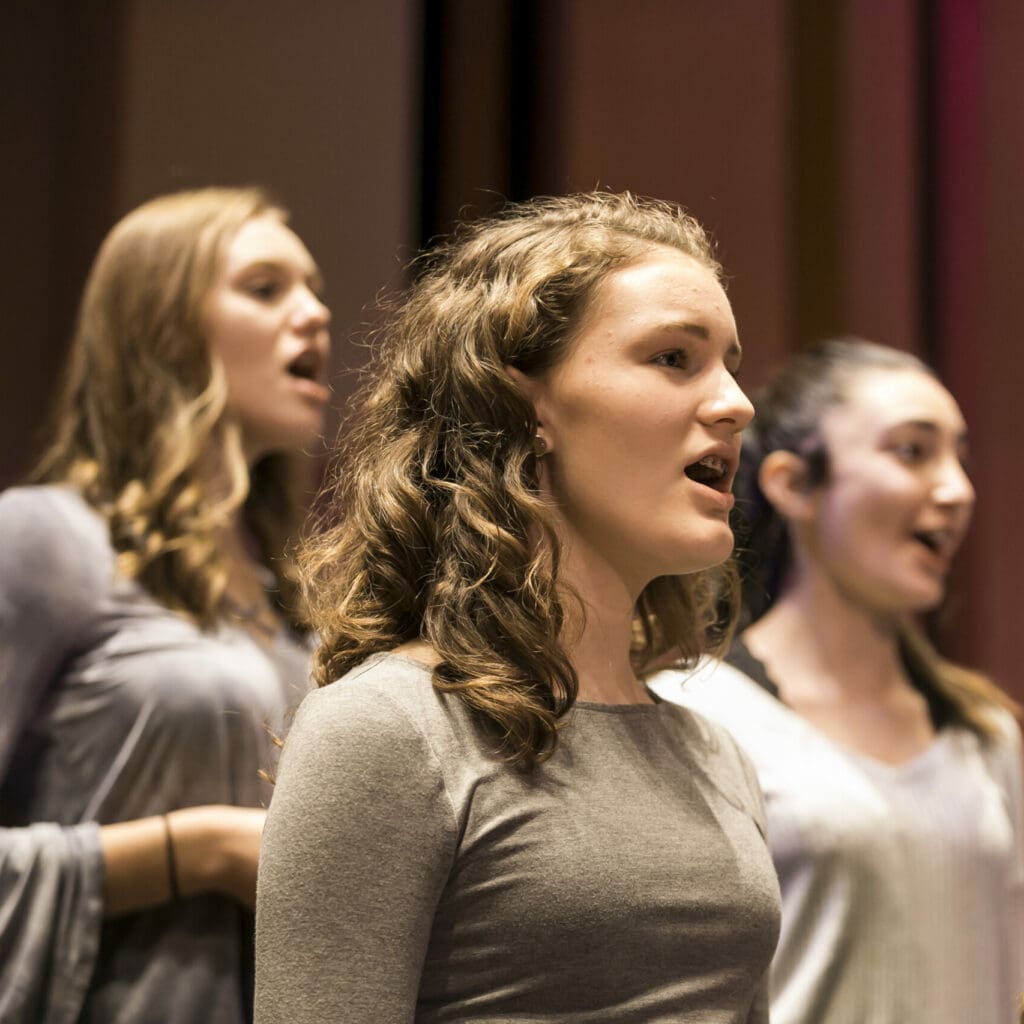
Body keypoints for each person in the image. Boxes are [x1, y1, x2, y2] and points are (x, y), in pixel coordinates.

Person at [255, 191, 781, 1023]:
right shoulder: (389, 729)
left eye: (730, 364)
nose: (737, 403)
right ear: (526, 405)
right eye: (674, 358)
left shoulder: (714, 753)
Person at [0, 186, 332, 1023]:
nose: (314, 313)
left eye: (312, 288)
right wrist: (204, 851)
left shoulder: (295, 597)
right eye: (266, 288)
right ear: (165, 330)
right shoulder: (44, 540)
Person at [648, 338, 1024, 1023]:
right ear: (794, 484)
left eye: (960, 460)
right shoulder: (694, 713)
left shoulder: (984, 733)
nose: (957, 491)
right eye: (912, 451)